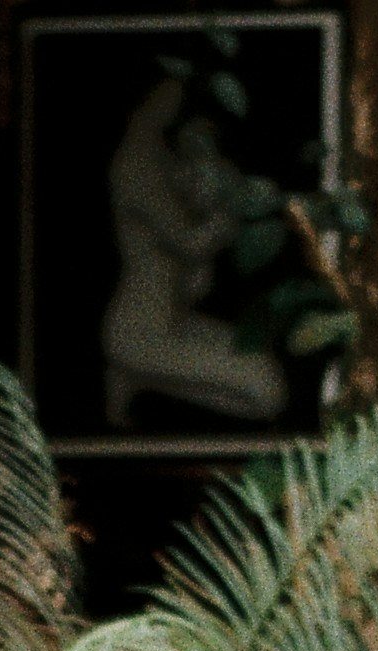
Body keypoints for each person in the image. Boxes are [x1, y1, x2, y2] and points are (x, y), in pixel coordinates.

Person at [100, 75, 286, 428]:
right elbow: (190, 242)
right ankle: (136, 369)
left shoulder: (162, 154)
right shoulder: (136, 162)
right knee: (265, 391)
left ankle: (140, 377)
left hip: (175, 321)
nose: (174, 95)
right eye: (165, 86)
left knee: (268, 374)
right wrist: (231, 207)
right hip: (140, 330)